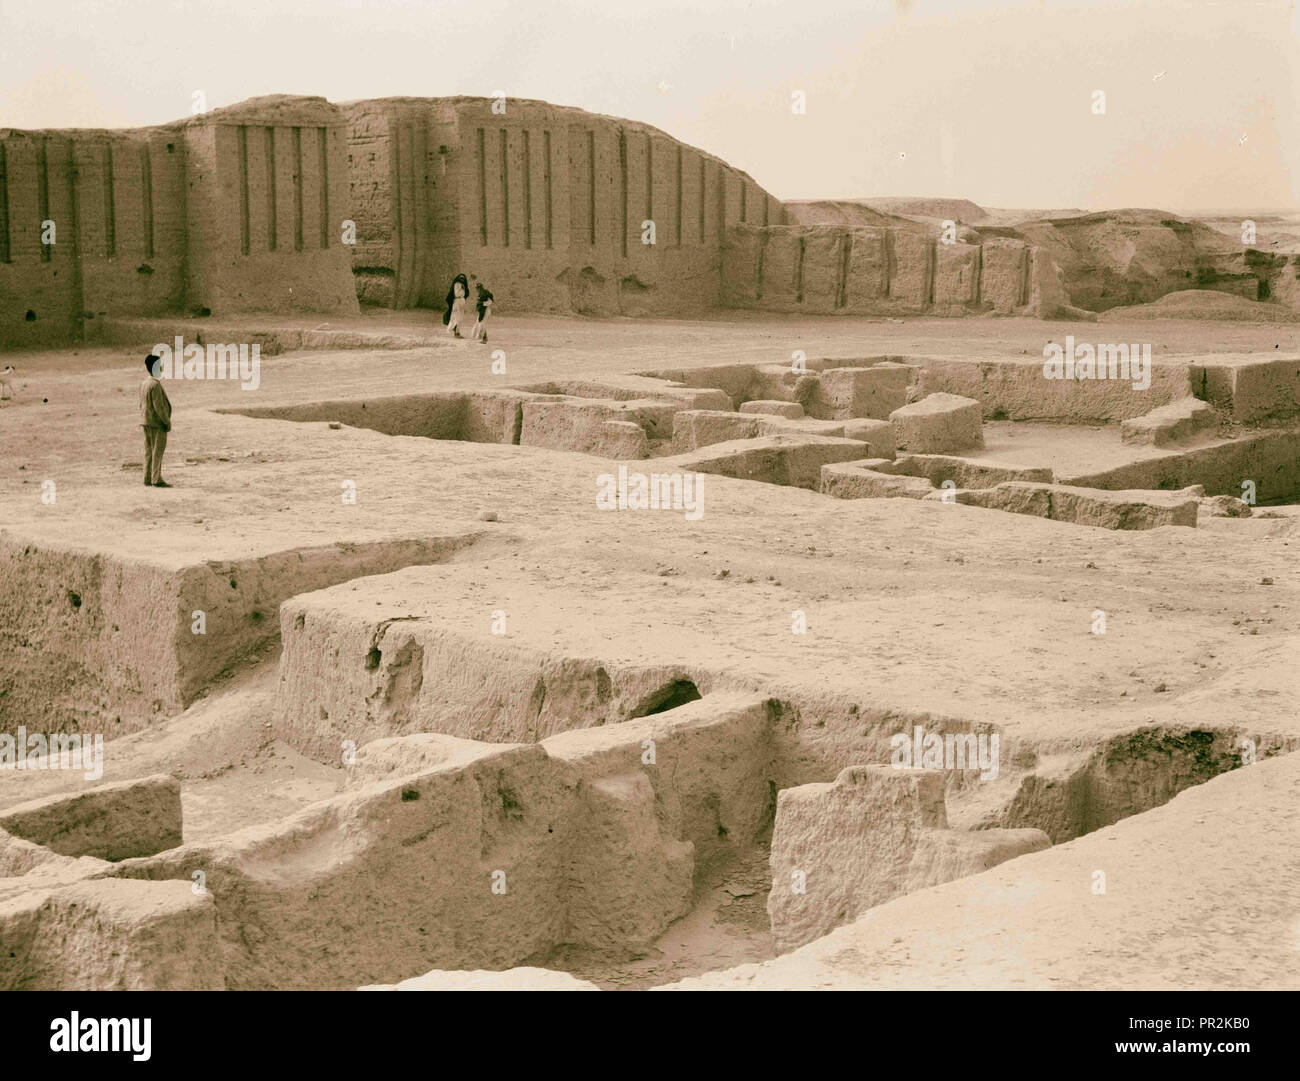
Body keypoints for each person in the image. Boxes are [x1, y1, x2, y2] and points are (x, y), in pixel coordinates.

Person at [139, 353, 172, 487]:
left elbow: (141, 404)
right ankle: (156, 479)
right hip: (156, 423)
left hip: (145, 421)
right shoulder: (155, 385)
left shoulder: (145, 383)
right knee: (157, 451)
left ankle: (147, 478)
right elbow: (159, 408)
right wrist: (166, 422)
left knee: (148, 451)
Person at [443, 273, 469, 337]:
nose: (462, 279)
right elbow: (457, 294)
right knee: (456, 317)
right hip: (457, 301)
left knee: (460, 318)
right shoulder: (456, 284)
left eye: (463, 278)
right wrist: (461, 289)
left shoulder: (463, 285)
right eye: (461, 278)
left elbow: (465, 294)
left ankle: (457, 332)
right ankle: (454, 331)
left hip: (462, 301)